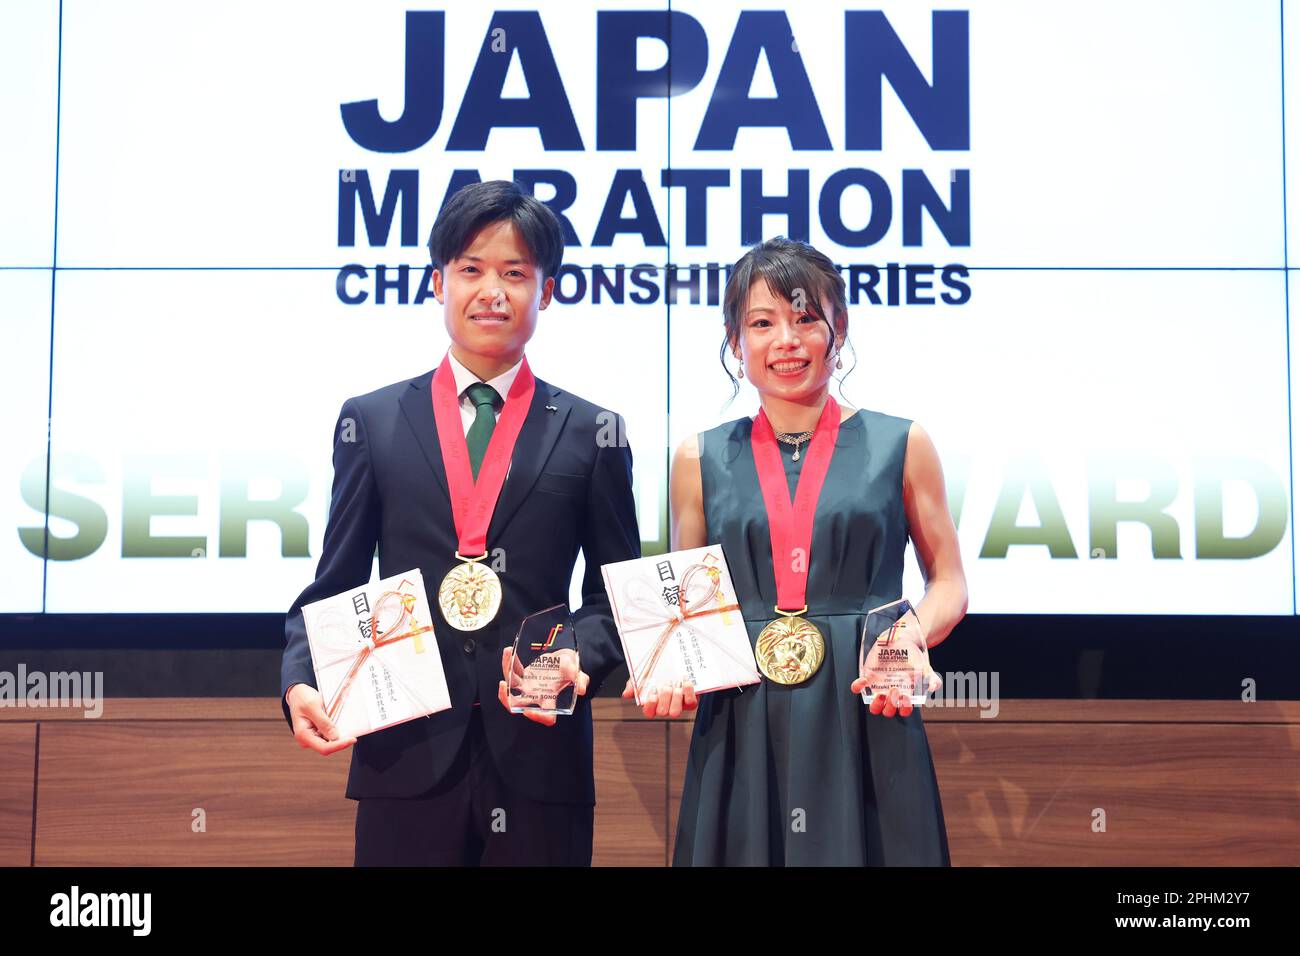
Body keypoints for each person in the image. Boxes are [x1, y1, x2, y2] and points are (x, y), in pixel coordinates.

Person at [281, 179, 640, 866]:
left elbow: (613, 596)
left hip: (543, 750)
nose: (492, 291)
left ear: (549, 290)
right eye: (471, 270)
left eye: (515, 273)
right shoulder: (375, 421)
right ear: (437, 283)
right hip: (404, 747)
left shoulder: (594, 432)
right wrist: (301, 677)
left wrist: (580, 656)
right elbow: (336, 581)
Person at [628, 237, 967, 866]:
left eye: (805, 318)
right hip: (741, 717)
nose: (785, 339)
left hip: (868, 698)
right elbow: (684, 602)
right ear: (735, 340)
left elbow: (949, 583)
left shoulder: (903, 442)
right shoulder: (696, 458)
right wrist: (670, 665)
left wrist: (906, 636)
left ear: (838, 328)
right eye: (762, 323)